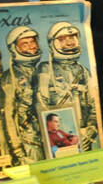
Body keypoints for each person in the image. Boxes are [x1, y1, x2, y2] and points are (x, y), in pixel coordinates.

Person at [35, 21, 99, 150]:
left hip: (83, 132)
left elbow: (94, 104)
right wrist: (55, 134)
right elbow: (40, 104)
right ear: (54, 43)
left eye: (72, 38)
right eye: (62, 39)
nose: (69, 43)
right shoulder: (46, 69)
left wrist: (91, 129)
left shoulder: (83, 71)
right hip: (58, 136)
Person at [1, 25, 43, 163]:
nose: (31, 46)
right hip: (28, 142)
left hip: (47, 137)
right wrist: (16, 147)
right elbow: (8, 115)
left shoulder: (42, 71)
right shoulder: (10, 77)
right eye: (25, 43)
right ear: (15, 48)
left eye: (33, 42)